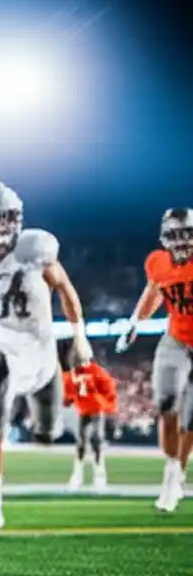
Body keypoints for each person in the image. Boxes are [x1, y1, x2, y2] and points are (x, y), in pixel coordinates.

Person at [0, 182, 92, 531]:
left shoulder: (36, 248)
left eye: (4, 219)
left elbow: (64, 287)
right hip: (4, 341)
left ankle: (46, 426)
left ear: (17, 220)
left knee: (46, 433)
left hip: (41, 347)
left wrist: (79, 336)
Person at [115, 207, 193, 511]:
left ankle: (180, 473)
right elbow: (153, 292)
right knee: (165, 403)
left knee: (191, 418)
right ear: (164, 238)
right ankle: (171, 477)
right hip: (175, 338)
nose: (182, 241)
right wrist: (135, 321)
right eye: (174, 235)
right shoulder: (157, 262)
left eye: (187, 234)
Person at [62, 358, 116, 491]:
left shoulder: (95, 371)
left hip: (96, 408)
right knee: (81, 443)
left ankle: (99, 474)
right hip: (84, 409)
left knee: (96, 440)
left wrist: (106, 403)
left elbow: (108, 387)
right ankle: (78, 474)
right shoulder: (73, 374)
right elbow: (67, 398)